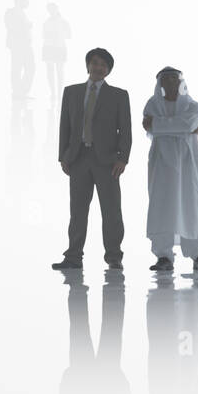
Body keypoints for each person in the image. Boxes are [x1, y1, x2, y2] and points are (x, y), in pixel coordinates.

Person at [52, 48, 132, 270]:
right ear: (88, 65)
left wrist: (122, 158)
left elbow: (125, 130)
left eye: (103, 65)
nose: (98, 68)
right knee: (77, 211)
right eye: (95, 63)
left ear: (108, 70)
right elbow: (65, 126)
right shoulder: (72, 92)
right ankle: (73, 257)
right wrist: (63, 156)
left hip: (106, 161)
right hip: (78, 159)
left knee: (111, 211)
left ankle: (114, 257)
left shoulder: (118, 95)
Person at [142, 67, 198, 272]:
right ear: (160, 83)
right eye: (166, 79)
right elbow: (156, 127)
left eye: (174, 78)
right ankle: (164, 256)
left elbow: (187, 124)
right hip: (161, 163)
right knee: (162, 207)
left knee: (192, 206)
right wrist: (179, 128)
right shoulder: (152, 104)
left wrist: (161, 125)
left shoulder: (193, 106)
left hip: (188, 163)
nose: (171, 82)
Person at [4, 0, 36, 100]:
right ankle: (18, 92)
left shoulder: (22, 13)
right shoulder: (11, 12)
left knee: (30, 68)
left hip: (26, 45)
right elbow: (12, 27)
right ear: (19, 0)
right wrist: (25, 26)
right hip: (18, 45)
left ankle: (22, 91)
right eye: (25, 0)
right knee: (17, 68)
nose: (27, 3)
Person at [42, 3, 72, 103]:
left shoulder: (63, 21)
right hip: (48, 47)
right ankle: (53, 93)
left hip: (59, 47)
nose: (51, 11)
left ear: (57, 9)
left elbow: (69, 34)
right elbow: (43, 35)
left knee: (59, 71)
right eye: (49, 9)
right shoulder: (46, 22)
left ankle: (59, 92)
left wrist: (59, 34)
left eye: (52, 9)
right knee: (50, 70)